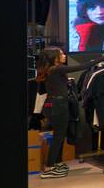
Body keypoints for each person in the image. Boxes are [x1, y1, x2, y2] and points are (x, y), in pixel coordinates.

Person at [35, 47, 83, 178]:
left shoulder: (47, 71)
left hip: (51, 105)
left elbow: (41, 92)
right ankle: (49, 167)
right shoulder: (57, 69)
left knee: (59, 135)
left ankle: (56, 163)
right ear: (54, 57)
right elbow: (83, 66)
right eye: (61, 54)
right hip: (59, 105)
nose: (64, 55)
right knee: (58, 136)